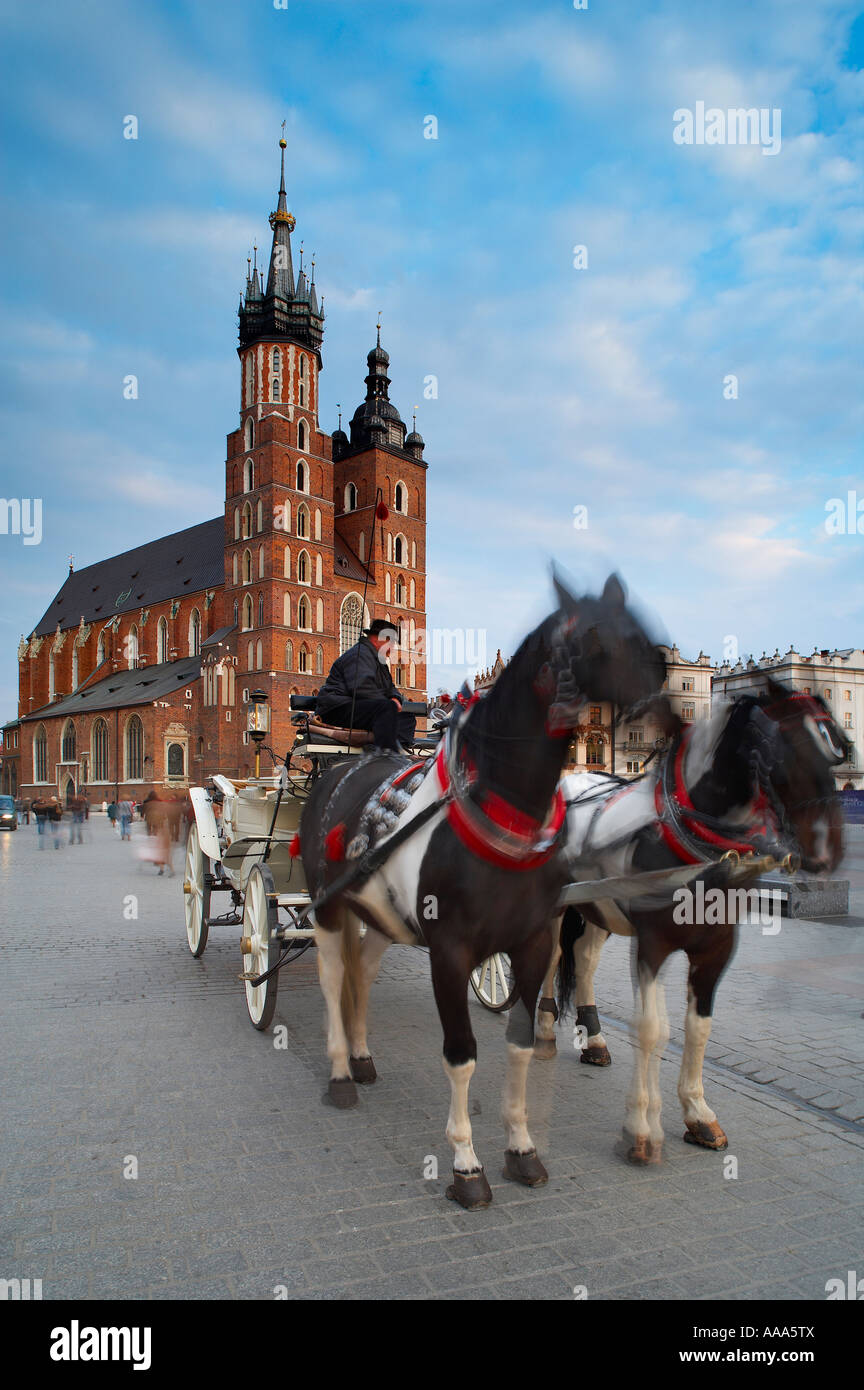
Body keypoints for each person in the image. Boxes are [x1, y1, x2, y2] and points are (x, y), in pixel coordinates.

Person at [315, 618, 415, 752]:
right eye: (391, 643)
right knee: (386, 708)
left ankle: (397, 751)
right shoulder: (359, 654)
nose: (392, 649)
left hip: (359, 708)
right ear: (380, 639)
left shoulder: (378, 660)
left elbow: (390, 687)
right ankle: (385, 755)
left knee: (407, 719)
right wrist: (388, 705)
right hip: (338, 708)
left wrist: (395, 698)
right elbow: (361, 688)